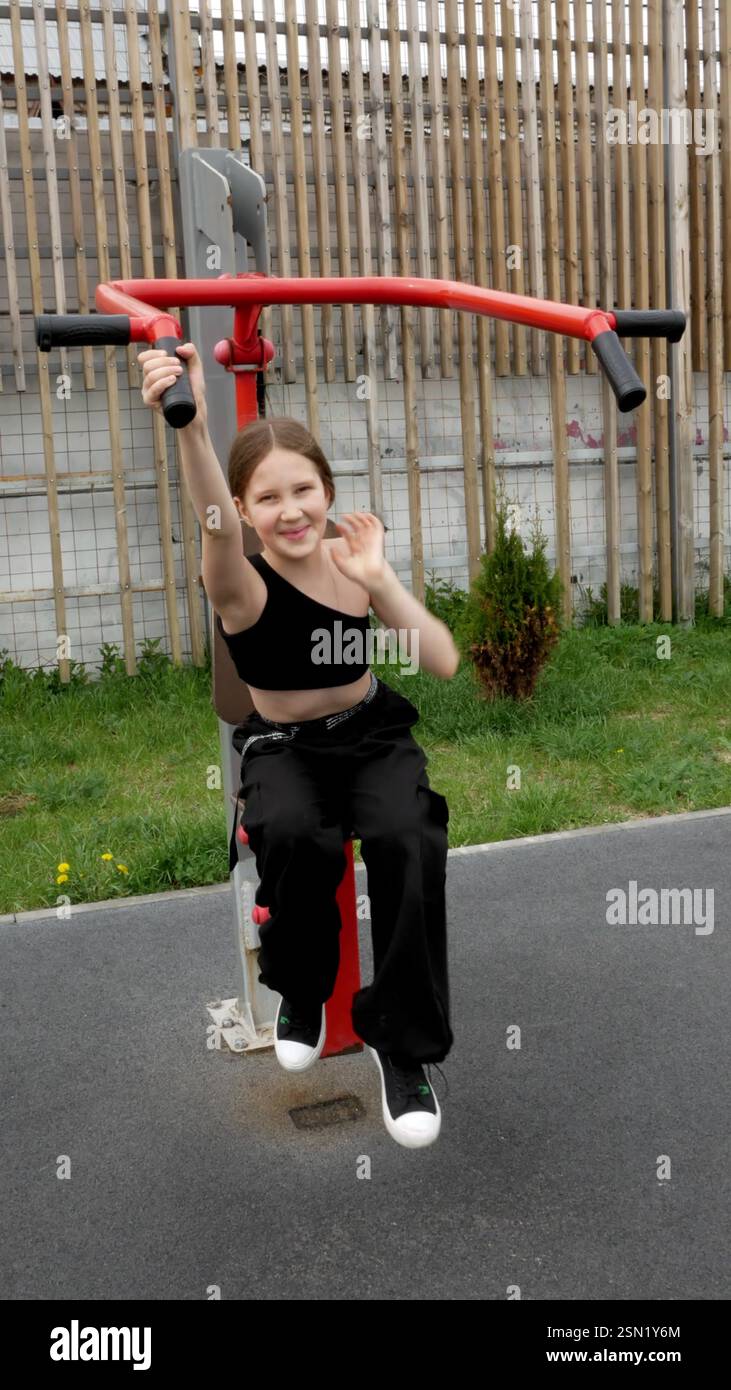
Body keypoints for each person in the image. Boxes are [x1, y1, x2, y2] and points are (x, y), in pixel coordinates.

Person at [138, 342, 460, 1150]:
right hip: (284, 746)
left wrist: (382, 581)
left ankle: (403, 1047)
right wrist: (192, 424)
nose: (290, 510)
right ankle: (303, 989)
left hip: (372, 737)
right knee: (289, 831)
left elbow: (440, 659)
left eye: (304, 490)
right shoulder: (238, 583)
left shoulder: (353, 568)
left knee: (405, 838)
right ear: (243, 511)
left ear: (329, 493)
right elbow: (208, 515)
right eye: (268, 497)